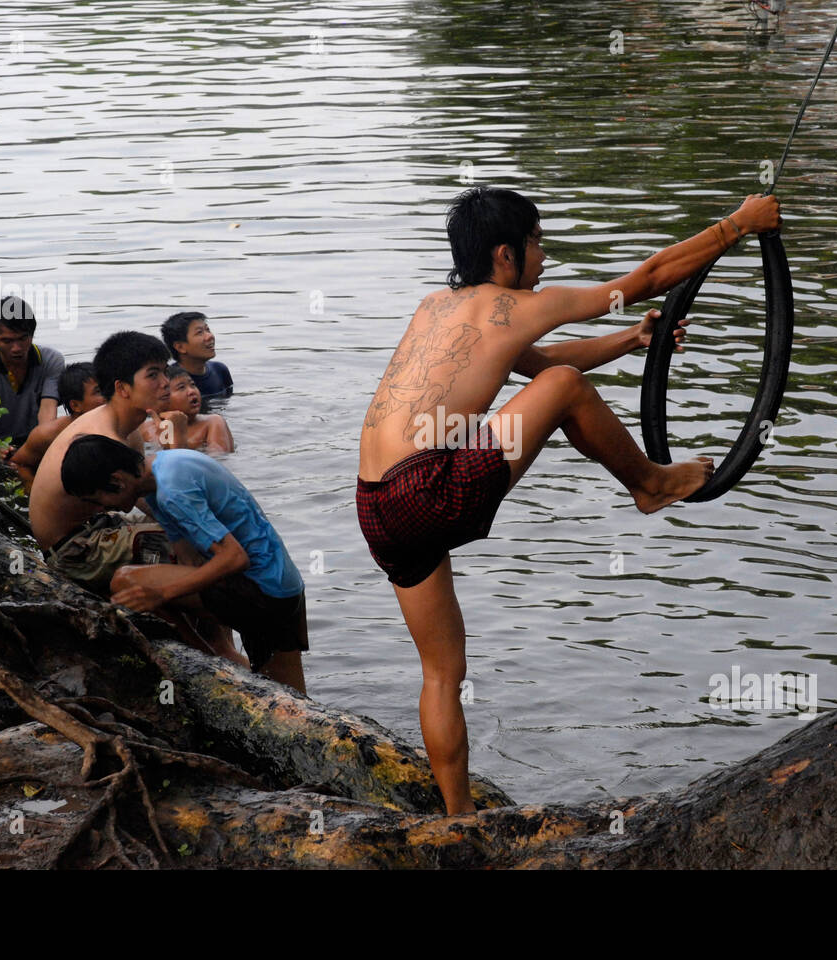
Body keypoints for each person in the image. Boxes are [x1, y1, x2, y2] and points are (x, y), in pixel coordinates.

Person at [355, 185, 782, 815]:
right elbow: (649, 277)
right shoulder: (518, 305)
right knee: (564, 387)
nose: (545, 257)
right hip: (429, 487)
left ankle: (459, 820)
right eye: (537, 243)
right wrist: (737, 226)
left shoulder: (433, 308)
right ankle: (652, 485)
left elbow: (542, 356)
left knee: (444, 672)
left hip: (375, 506)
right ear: (506, 254)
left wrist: (633, 341)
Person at [60, 435, 308, 694]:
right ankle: (209, 657)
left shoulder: (172, 492)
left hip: (263, 593)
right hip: (283, 586)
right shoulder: (164, 468)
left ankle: (208, 659)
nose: (100, 510)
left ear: (117, 481)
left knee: (126, 581)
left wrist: (162, 594)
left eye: (97, 500)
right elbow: (189, 557)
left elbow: (234, 557)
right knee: (287, 693)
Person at [28, 331, 185, 593]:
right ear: (122, 388)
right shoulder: (103, 440)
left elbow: (148, 496)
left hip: (102, 525)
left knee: (203, 533)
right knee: (197, 545)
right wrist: (177, 443)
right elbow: (174, 494)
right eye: (153, 375)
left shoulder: (126, 424)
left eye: (165, 372)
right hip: (75, 550)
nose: (165, 383)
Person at [0, 295, 66, 450]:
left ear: (32, 334)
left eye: (22, 339)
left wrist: (39, 445)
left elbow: (48, 411)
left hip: (36, 439)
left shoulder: (51, 361)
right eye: (7, 341)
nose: (17, 348)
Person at [8, 362, 105, 492]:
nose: (108, 395)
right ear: (75, 405)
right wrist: (34, 491)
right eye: (99, 391)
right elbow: (19, 464)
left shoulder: (121, 422)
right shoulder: (48, 435)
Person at [139, 364, 235, 453]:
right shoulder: (146, 429)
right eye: (181, 388)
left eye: (192, 385)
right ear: (163, 398)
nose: (191, 391)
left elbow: (219, 459)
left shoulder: (213, 422)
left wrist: (177, 438)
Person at [160, 311, 233, 400]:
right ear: (180, 347)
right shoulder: (169, 379)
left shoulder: (220, 370)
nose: (209, 336)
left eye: (207, 330)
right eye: (199, 332)